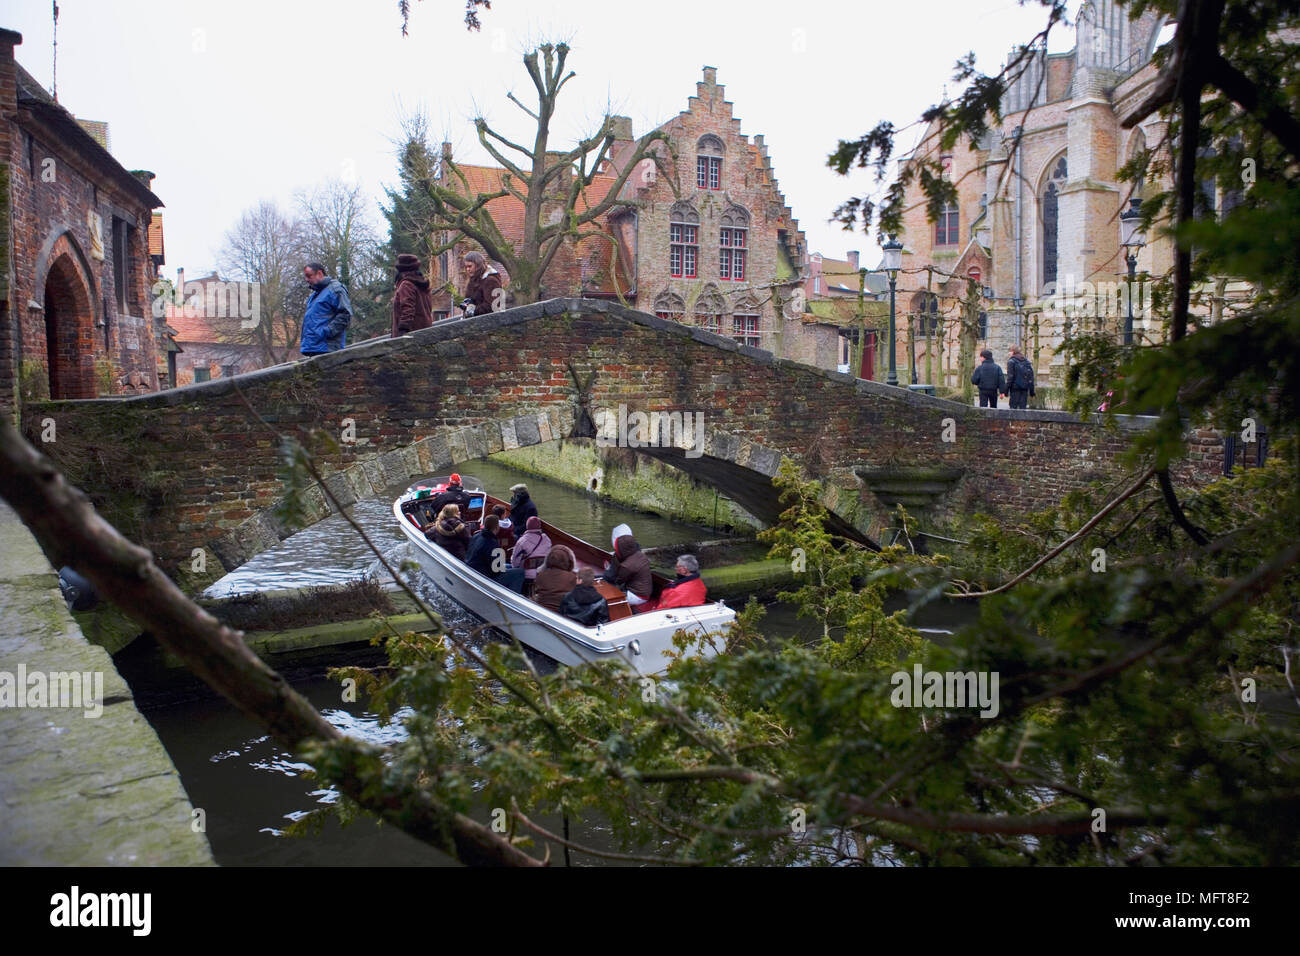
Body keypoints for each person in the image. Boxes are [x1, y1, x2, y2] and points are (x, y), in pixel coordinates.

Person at [300, 262, 353, 356]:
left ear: (319, 273)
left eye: (309, 276)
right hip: (314, 348)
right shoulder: (315, 295)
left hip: (327, 348)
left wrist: (327, 332)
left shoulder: (335, 290)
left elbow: (345, 314)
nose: (306, 279)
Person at [602, 530, 653, 607]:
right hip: (646, 593)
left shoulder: (626, 566)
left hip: (637, 597)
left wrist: (608, 571)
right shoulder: (641, 555)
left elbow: (618, 581)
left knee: (606, 592)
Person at [390, 253, 433, 337]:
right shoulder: (420, 284)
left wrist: (402, 331)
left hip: (413, 335)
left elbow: (407, 309)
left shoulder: (406, 285)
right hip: (424, 333)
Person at [532, 546, 578, 613]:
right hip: (563, 613)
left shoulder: (541, 575)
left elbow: (536, 592)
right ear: (568, 561)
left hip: (542, 609)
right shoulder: (572, 577)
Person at [460, 251, 504, 317]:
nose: (467, 269)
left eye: (470, 266)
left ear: (478, 265)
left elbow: (492, 306)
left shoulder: (491, 281)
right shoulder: (473, 280)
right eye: (466, 267)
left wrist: (473, 310)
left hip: (488, 322)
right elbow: (469, 299)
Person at [511, 516, 553, 582]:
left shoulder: (522, 541)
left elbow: (515, 562)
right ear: (539, 526)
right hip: (543, 574)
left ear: (527, 526)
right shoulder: (547, 540)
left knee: (506, 567)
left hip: (526, 576)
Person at [1006, 345, 1036, 410]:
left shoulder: (1011, 362)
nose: (1008, 353)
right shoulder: (1027, 362)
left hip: (1015, 388)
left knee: (1013, 408)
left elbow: (1010, 377)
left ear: (1013, 352)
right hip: (1025, 388)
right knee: (1023, 409)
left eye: (1009, 351)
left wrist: (1006, 390)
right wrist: (1032, 391)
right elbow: (1031, 377)